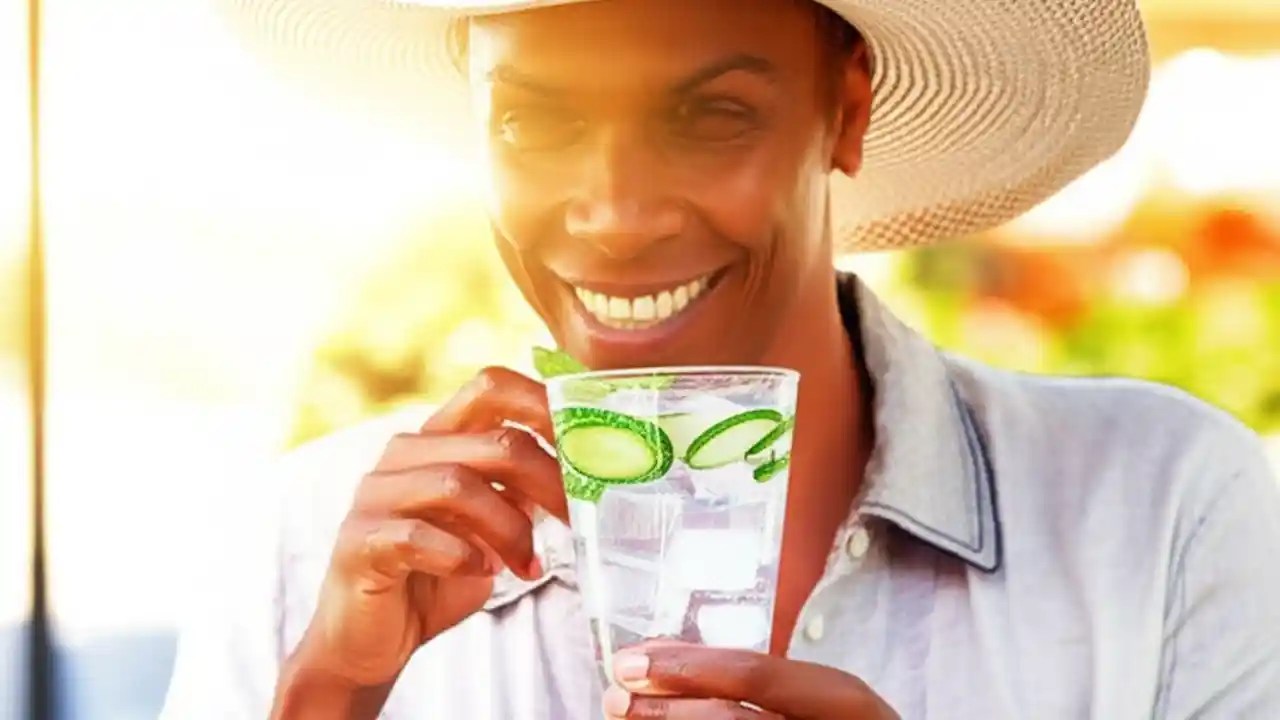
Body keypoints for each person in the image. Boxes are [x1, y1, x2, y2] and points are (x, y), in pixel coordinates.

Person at [161, 0, 1280, 717]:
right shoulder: (311, 548)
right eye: (531, 124)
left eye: (710, 117)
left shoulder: (1163, 510)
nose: (614, 214)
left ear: (844, 110)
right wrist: (326, 698)